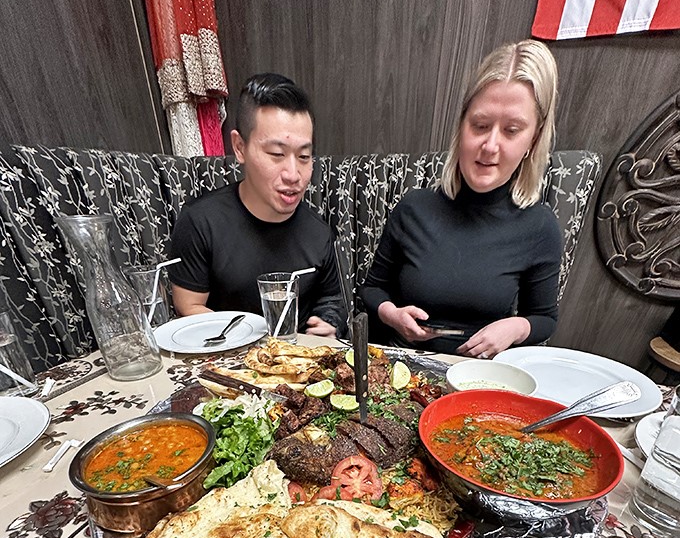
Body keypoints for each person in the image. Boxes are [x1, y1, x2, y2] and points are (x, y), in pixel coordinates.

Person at [360, 39, 562, 358]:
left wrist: (516, 327)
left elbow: (544, 319)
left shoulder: (540, 226)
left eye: (511, 130)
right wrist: (392, 315)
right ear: (461, 126)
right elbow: (372, 289)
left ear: (532, 141)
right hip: (402, 363)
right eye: (480, 125)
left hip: (481, 373)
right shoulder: (413, 207)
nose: (490, 146)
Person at [169, 73, 346, 338]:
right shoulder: (200, 222)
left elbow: (332, 299)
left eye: (304, 156)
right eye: (276, 154)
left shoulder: (319, 232)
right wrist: (256, 345)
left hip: (300, 356)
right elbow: (188, 306)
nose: (293, 175)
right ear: (240, 147)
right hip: (225, 355)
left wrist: (329, 322)